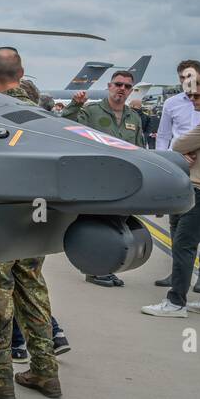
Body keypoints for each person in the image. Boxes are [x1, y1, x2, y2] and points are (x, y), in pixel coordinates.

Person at [0, 48, 62, 399]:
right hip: (38, 220)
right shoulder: (46, 115)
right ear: (22, 72)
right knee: (33, 291)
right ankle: (45, 372)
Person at [143, 76, 200, 318]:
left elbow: (179, 143)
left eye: (197, 96)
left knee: (184, 244)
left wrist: (187, 148)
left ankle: (176, 303)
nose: (192, 99)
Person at [62, 69, 143, 286]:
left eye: (127, 86)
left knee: (117, 224)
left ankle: (106, 267)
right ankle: (94, 269)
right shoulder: (91, 111)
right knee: (96, 224)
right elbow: (65, 126)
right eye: (118, 84)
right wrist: (75, 105)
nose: (122, 89)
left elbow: (140, 148)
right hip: (97, 178)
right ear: (109, 86)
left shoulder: (133, 117)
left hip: (125, 180)